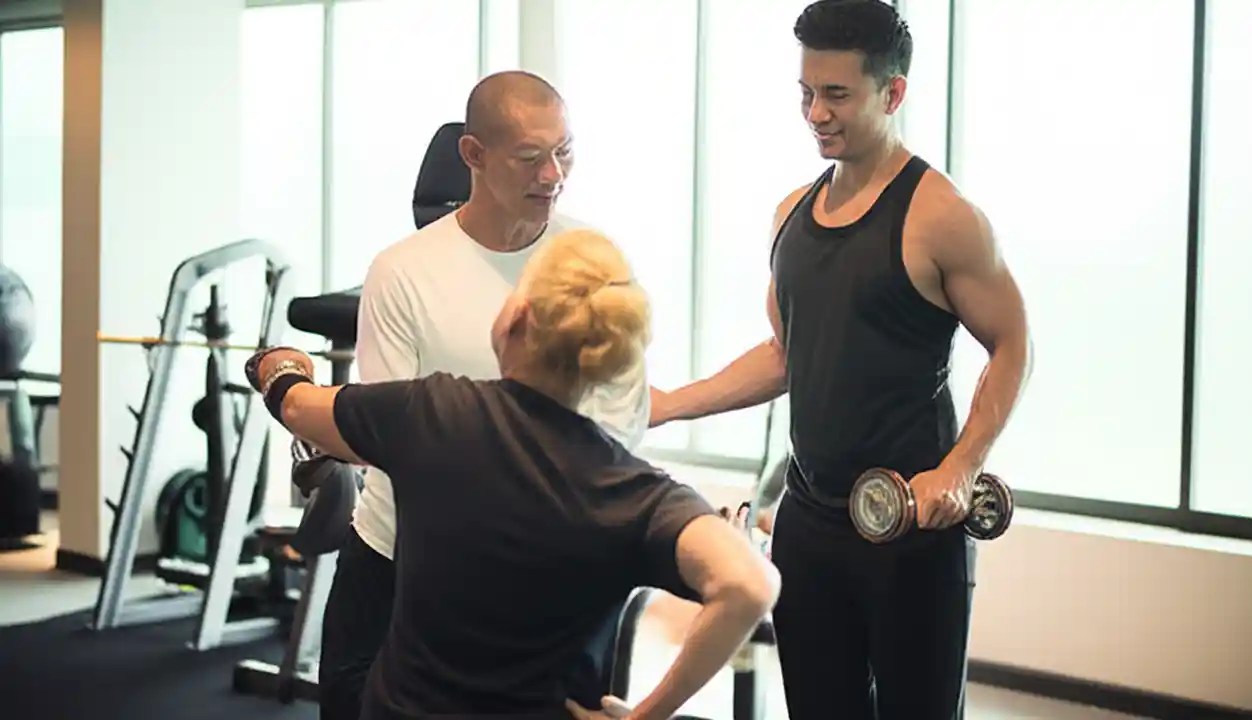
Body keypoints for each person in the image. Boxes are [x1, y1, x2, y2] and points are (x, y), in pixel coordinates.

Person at [649, 1, 1032, 718]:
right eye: (805, 92)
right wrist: (670, 402)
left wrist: (962, 465)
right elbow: (787, 357)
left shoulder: (940, 216)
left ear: (892, 93)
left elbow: (1013, 342)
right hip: (809, 526)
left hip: (911, 533)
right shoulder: (791, 214)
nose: (815, 113)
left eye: (836, 95)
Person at [246, 228, 780, 720]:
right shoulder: (633, 492)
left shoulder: (434, 413)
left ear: (515, 319)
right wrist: (646, 716)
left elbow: (296, 407)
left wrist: (278, 365)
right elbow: (749, 585)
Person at [320, 71, 651, 720]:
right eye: (530, 157)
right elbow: (394, 435)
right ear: (472, 156)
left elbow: (620, 419)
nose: (553, 174)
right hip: (403, 561)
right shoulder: (403, 271)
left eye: (565, 150)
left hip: (549, 567)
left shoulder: (593, 259)